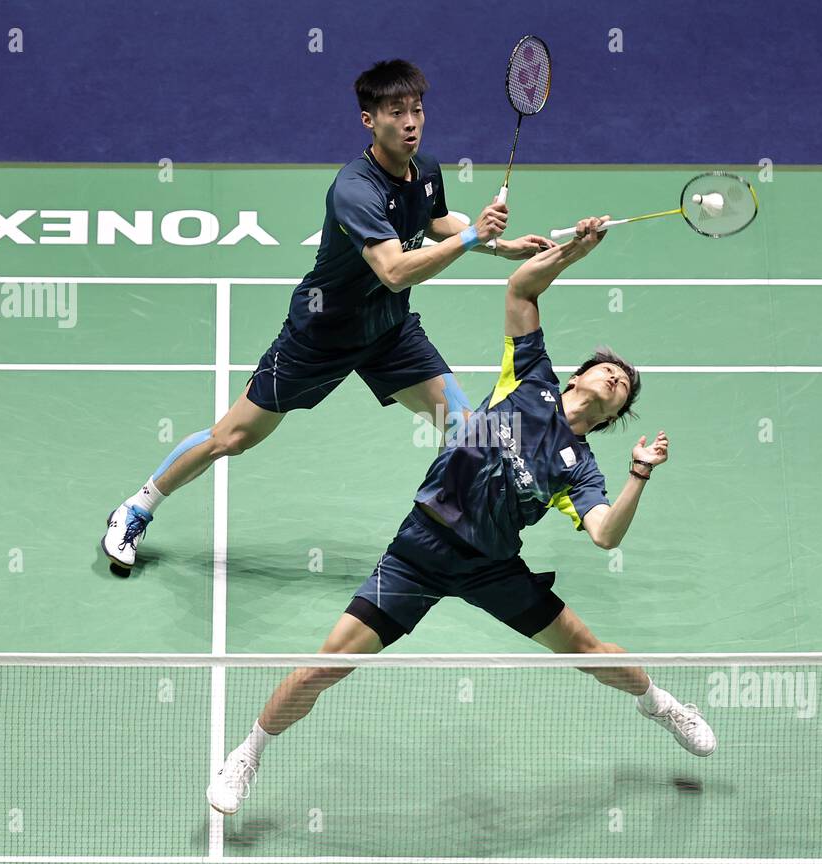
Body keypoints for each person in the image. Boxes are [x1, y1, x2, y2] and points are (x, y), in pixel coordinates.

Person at [207, 215, 717, 816]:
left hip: (491, 567)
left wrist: (638, 474)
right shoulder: (531, 381)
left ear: (614, 414)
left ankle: (658, 703)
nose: (616, 375)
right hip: (420, 549)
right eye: (609, 367)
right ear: (579, 375)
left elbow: (605, 533)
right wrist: (576, 249)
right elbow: (521, 290)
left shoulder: (578, 466)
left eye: (625, 384)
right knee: (326, 666)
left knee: (589, 648)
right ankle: (248, 753)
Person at [101, 59, 552, 572]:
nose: (410, 122)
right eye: (396, 112)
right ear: (369, 120)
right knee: (232, 437)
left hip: (388, 330)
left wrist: (499, 245)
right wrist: (474, 236)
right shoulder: (355, 189)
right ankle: (136, 507)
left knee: (467, 430)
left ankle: (460, 537)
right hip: (321, 335)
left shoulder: (425, 169)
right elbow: (395, 271)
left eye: (417, 110)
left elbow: (434, 220)